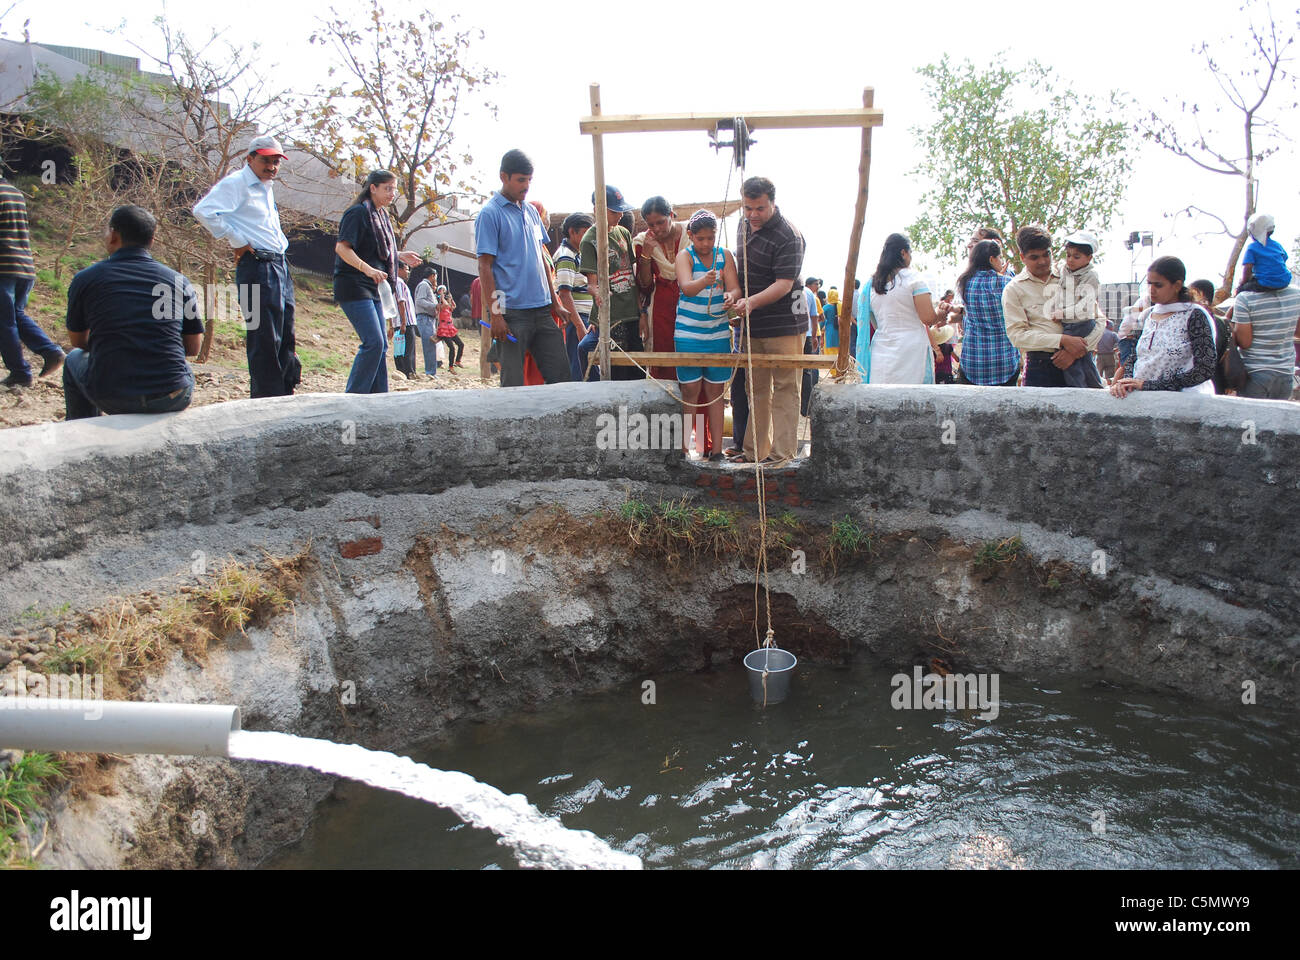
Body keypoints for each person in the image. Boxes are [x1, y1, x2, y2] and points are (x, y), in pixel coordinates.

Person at [61, 205, 203, 419]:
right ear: (152, 240)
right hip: (172, 396)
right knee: (181, 368)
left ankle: (82, 435)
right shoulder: (179, 281)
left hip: (111, 396)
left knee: (73, 359)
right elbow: (193, 347)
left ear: (113, 236)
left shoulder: (86, 279)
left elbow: (78, 341)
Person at [192, 134, 299, 398]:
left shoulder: (265, 186)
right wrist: (236, 239)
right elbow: (203, 211)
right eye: (266, 160)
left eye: (276, 161)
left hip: (278, 265)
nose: (271, 166)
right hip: (255, 266)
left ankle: (285, 396)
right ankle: (265, 401)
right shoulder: (236, 183)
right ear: (250, 158)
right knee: (263, 336)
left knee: (286, 332)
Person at [476, 149, 573, 387]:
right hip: (512, 314)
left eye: (529, 180)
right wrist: (496, 314)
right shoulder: (490, 214)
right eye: (521, 180)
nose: (526, 186)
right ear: (503, 177)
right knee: (513, 385)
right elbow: (485, 267)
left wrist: (555, 302)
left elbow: (541, 260)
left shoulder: (530, 212)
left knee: (562, 379)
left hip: (542, 311)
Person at [725, 177, 805, 464]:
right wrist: (734, 297)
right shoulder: (742, 224)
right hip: (752, 322)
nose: (753, 214)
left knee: (785, 386)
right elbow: (739, 269)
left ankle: (781, 455)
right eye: (748, 208)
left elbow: (784, 283)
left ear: (773, 202)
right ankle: (753, 451)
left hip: (785, 323)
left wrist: (750, 302)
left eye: (759, 208)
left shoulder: (789, 236)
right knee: (755, 386)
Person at [334, 170, 421, 394]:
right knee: (373, 343)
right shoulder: (358, 213)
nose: (392, 193)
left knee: (381, 345)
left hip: (375, 288)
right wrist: (367, 269)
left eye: (394, 189)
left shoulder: (381, 216)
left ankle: (379, 397)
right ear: (373, 188)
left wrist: (399, 255)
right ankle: (354, 397)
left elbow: (377, 250)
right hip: (354, 285)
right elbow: (342, 248)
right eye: (388, 188)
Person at [1003, 225, 1105, 387]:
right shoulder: (1014, 289)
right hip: (1040, 367)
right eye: (1034, 257)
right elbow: (1017, 336)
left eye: (1046, 254)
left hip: (1078, 361)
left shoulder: (1073, 274)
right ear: (1022, 257)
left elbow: (1099, 320)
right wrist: (1062, 341)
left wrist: (1076, 351)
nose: (1042, 261)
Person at [673, 209, 739, 461]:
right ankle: (683, 448)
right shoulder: (685, 256)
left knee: (716, 391)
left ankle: (716, 450)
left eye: (711, 238)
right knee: (690, 390)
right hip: (688, 333)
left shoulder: (724, 256)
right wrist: (707, 280)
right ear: (690, 236)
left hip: (718, 333)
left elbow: (734, 288)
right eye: (700, 239)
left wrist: (730, 297)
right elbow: (687, 287)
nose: (706, 244)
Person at [1110, 256, 1216, 397]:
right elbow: (1134, 356)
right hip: (1142, 400)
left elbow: (1204, 368)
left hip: (1183, 402)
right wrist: (1127, 383)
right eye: (1149, 284)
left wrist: (1150, 385)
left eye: (1158, 285)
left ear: (1177, 286)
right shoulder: (1147, 315)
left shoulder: (1194, 315)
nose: (1151, 290)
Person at [0, 174, 64, 387]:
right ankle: (51, 351)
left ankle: (20, 372)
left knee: (4, 322)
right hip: (24, 265)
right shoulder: (15, 193)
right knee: (15, 315)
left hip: (4, 266)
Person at [858, 233, 945, 384]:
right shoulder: (914, 279)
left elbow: (874, 322)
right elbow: (928, 318)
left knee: (881, 399)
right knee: (912, 401)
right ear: (903, 253)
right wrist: (941, 313)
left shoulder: (872, 285)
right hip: (911, 350)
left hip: (881, 349)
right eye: (910, 253)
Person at [580, 184, 644, 382]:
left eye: (621, 211)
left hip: (632, 313)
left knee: (638, 371)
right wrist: (598, 294)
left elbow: (633, 273)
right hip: (612, 317)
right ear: (597, 209)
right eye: (614, 211)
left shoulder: (624, 233)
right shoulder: (589, 240)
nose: (619, 215)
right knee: (617, 372)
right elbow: (591, 285)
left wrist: (642, 312)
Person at [953, 239, 1020, 386]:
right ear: (991, 259)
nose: (1001, 262)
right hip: (1005, 361)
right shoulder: (1007, 283)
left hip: (973, 362)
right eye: (1000, 257)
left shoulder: (965, 283)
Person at [1044, 230, 1104, 388]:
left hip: (1081, 323)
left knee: (1071, 363)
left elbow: (1085, 306)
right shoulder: (1065, 270)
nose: (1070, 260)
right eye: (1068, 255)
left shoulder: (1091, 276)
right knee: (1085, 361)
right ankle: (1095, 388)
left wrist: (1062, 313)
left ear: (1089, 258)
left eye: (1076, 257)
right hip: (1069, 322)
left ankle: (1078, 391)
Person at [635, 196, 684, 381]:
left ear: (671, 215)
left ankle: (696, 409)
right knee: (665, 362)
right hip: (661, 309)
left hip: (692, 306)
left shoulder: (692, 234)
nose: (656, 229)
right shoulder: (642, 242)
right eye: (651, 224)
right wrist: (646, 255)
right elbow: (645, 285)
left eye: (661, 222)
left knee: (692, 360)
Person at [1232, 274, 1300, 400]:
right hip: (1285, 374)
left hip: (1255, 374)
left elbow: (1245, 342)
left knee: (1250, 419)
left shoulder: (1245, 298)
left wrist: (1231, 325)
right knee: (1278, 419)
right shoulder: (1296, 293)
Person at [554, 212, 594, 382]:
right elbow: (564, 293)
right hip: (578, 318)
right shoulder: (566, 255)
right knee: (579, 367)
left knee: (586, 365)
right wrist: (579, 326)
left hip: (585, 317)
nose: (589, 238)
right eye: (585, 233)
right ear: (572, 232)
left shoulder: (579, 253)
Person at [1238, 213, 1292, 293]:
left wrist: (1243, 282)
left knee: (1242, 289)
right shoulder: (1277, 245)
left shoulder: (1252, 247)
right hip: (1285, 281)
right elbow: (1284, 258)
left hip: (1266, 283)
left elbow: (1248, 268)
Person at [411, 270, 441, 378]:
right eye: (436, 276)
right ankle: (430, 372)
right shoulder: (424, 285)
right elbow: (420, 301)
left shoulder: (427, 287)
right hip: (425, 318)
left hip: (429, 319)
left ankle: (431, 371)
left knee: (431, 345)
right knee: (429, 346)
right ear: (433, 276)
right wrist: (434, 306)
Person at [800, 277, 823, 416]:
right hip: (808, 335)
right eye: (816, 284)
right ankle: (806, 408)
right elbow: (815, 317)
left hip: (795, 336)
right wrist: (814, 336)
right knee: (806, 371)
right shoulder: (809, 293)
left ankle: (799, 406)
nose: (818, 286)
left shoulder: (790, 288)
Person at [436, 287, 465, 372]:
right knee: (451, 348)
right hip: (443, 329)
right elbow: (445, 304)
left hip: (450, 328)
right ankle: (450, 366)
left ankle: (458, 361)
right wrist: (441, 296)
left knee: (461, 344)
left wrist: (451, 299)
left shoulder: (448, 307)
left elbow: (454, 306)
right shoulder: (440, 306)